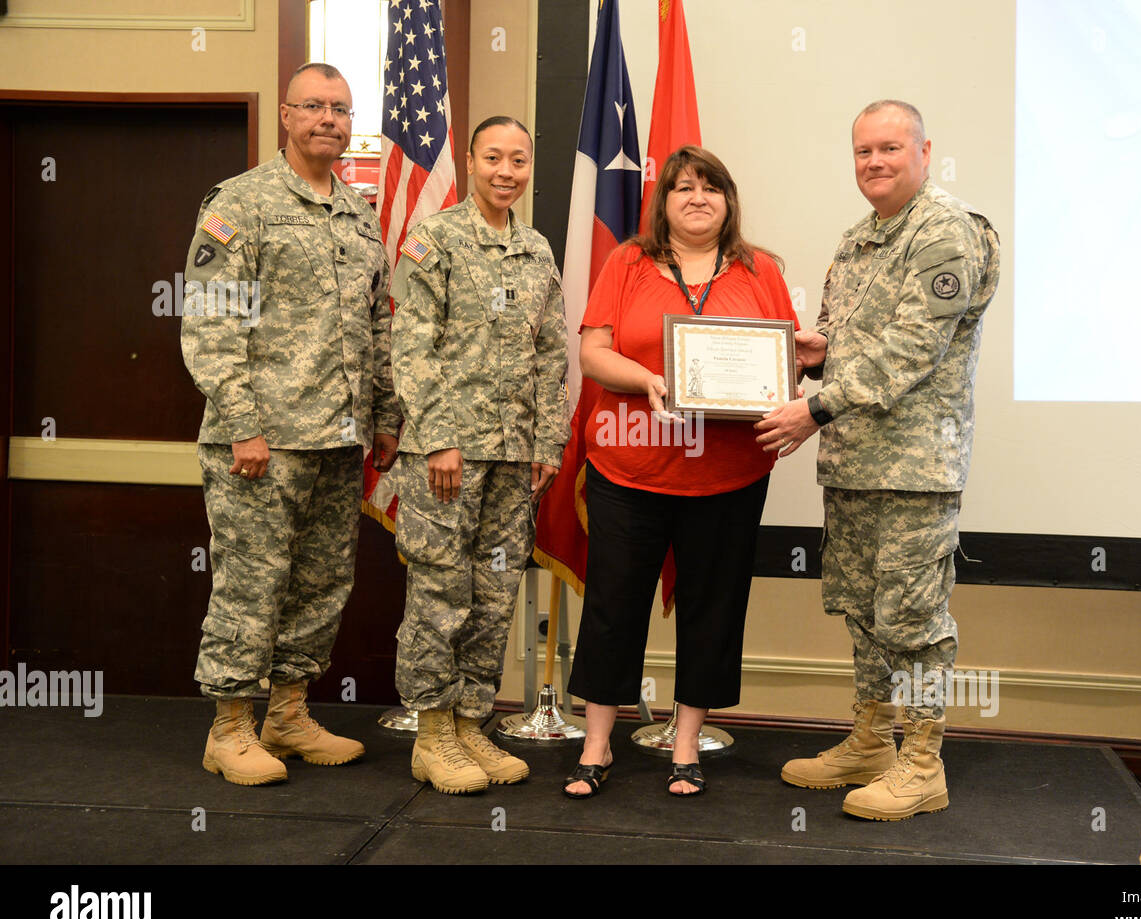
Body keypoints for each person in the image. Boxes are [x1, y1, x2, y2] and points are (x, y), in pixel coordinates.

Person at [756, 100, 1000, 820]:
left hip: (915, 470)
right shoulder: (859, 239)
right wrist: (816, 353)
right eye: (863, 151)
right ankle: (871, 739)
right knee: (864, 612)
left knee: (915, 620)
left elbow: (912, 349)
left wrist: (817, 406)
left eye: (890, 147)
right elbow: (856, 337)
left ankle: (922, 760)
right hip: (858, 463)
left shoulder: (945, 231)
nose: (875, 162)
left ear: (926, 150)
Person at [181, 62, 400, 785]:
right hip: (262, 443)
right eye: (313, 107)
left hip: (339, 438)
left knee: (321, 582)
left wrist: (387, 413)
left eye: (340, 109)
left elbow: (378, 320)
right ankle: (230, 728)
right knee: (251, 583)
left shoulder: (358, 212)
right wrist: (243, 422)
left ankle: (288, 713)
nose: (328, 120)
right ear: (285, 115)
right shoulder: (240, 204)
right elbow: (211, 323)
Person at [563, 145, 799, 798]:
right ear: (661, 202)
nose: (698, 197)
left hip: (727, 475)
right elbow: (592, 351)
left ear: (729, 201)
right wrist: (647, 380)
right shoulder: (627, 262)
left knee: (712, 606)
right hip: (629, 465)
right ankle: (597, 742)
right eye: (683, 187)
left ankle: (686, 739)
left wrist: (798, 369)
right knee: (613, 605)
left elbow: (784, 364)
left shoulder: (762, 270)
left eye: (711, 187)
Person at [389, 116, 569, 795]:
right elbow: (412, 346)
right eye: (492, 157)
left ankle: (470, 725)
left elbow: (553, 354)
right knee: (441, 592)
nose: (505, 170)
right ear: (469, 161)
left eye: (518, 159)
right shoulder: (434, 239)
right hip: (447, 455)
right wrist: (437, 436)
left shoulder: (537, 250)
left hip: (513, 456)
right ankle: (433, 733)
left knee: (493, 597)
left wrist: (547, 441)